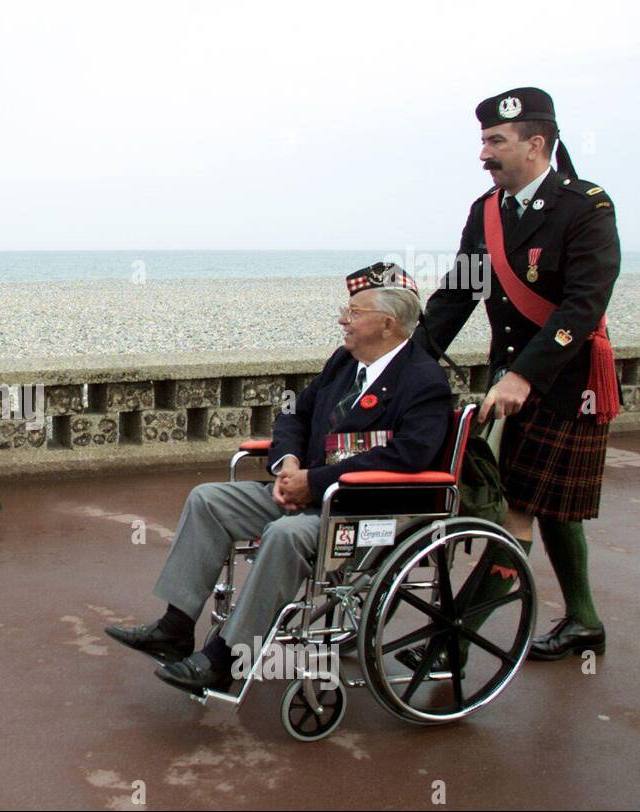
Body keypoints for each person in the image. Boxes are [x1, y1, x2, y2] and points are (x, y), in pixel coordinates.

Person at [105, 264, 452, 695]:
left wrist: (316, 481)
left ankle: (226, 658)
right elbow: (296, 413)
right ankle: (175, 628)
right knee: (207, 499)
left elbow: (407, 457)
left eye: (354, 311)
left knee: (286, 534)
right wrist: (287, 464)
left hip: (366, 510)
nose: (343, 319)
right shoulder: (344, 361)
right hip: (311, 489)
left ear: (388, 324)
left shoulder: (424, 381)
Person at [413, 87, 620, 663]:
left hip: (566, 385)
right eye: (483, 140)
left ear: (535, 144)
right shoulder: (486, 213)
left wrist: (524, 376)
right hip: (512, 383)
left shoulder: (587, 208)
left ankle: (450, 643)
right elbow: (456, 295)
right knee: (545, 504)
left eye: (495, 141)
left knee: (522, 509)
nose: (484, 153)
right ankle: (584, 621)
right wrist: (404, 363)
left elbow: (582, 306)